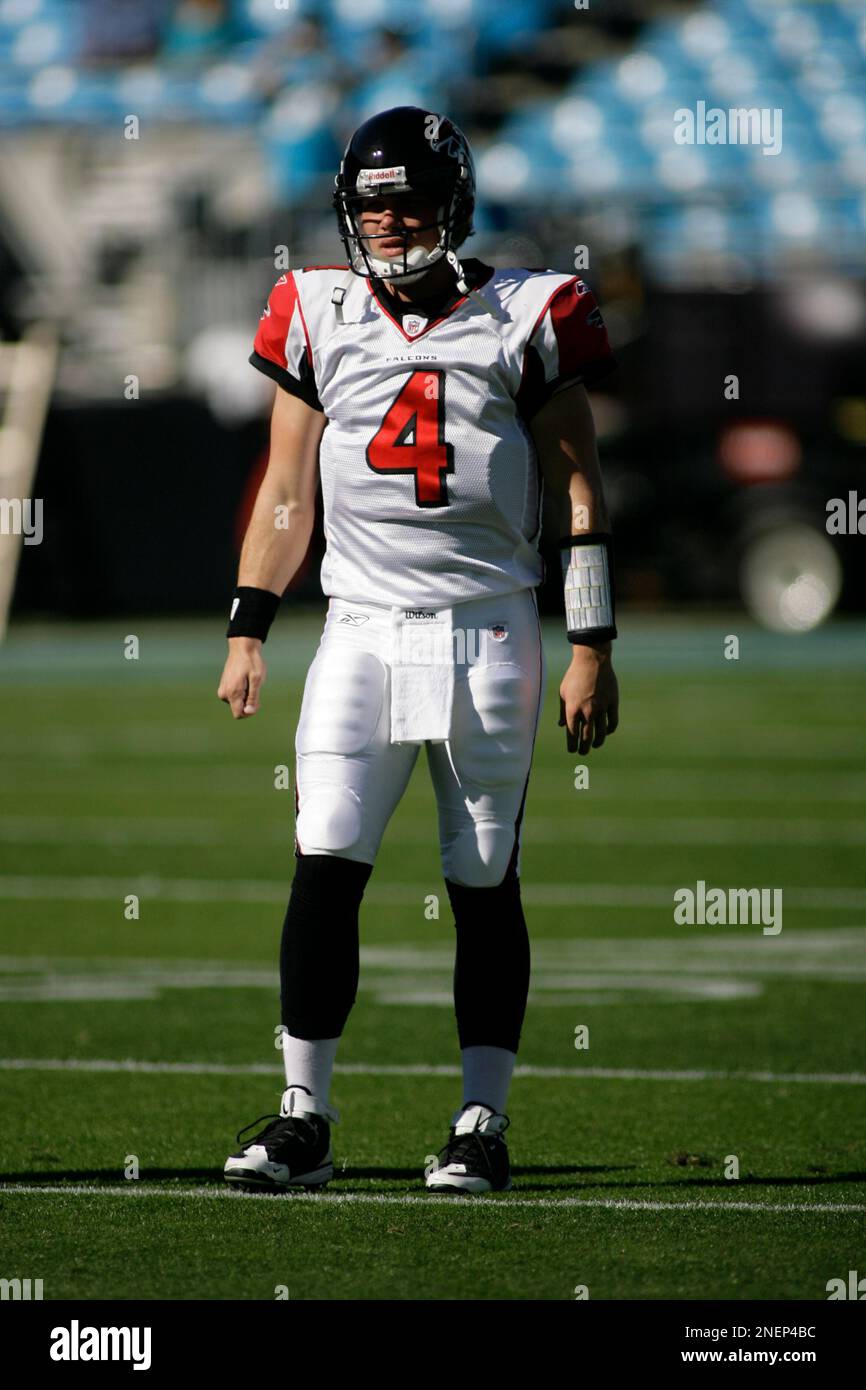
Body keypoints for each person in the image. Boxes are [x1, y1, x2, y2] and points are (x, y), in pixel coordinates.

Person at [218, 106, 620, 1195]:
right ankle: (305, 1114)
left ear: (452, 205)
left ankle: (478, 1120)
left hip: (489, 628)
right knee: (325, 857)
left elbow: (578, 487)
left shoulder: (523, 311)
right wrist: (249, 623)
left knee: (481, 875)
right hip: (356, 630)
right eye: (370, 206)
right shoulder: (318, 310)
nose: (388, 226)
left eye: (407, 203)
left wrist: (591, 641)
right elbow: (288, 490)